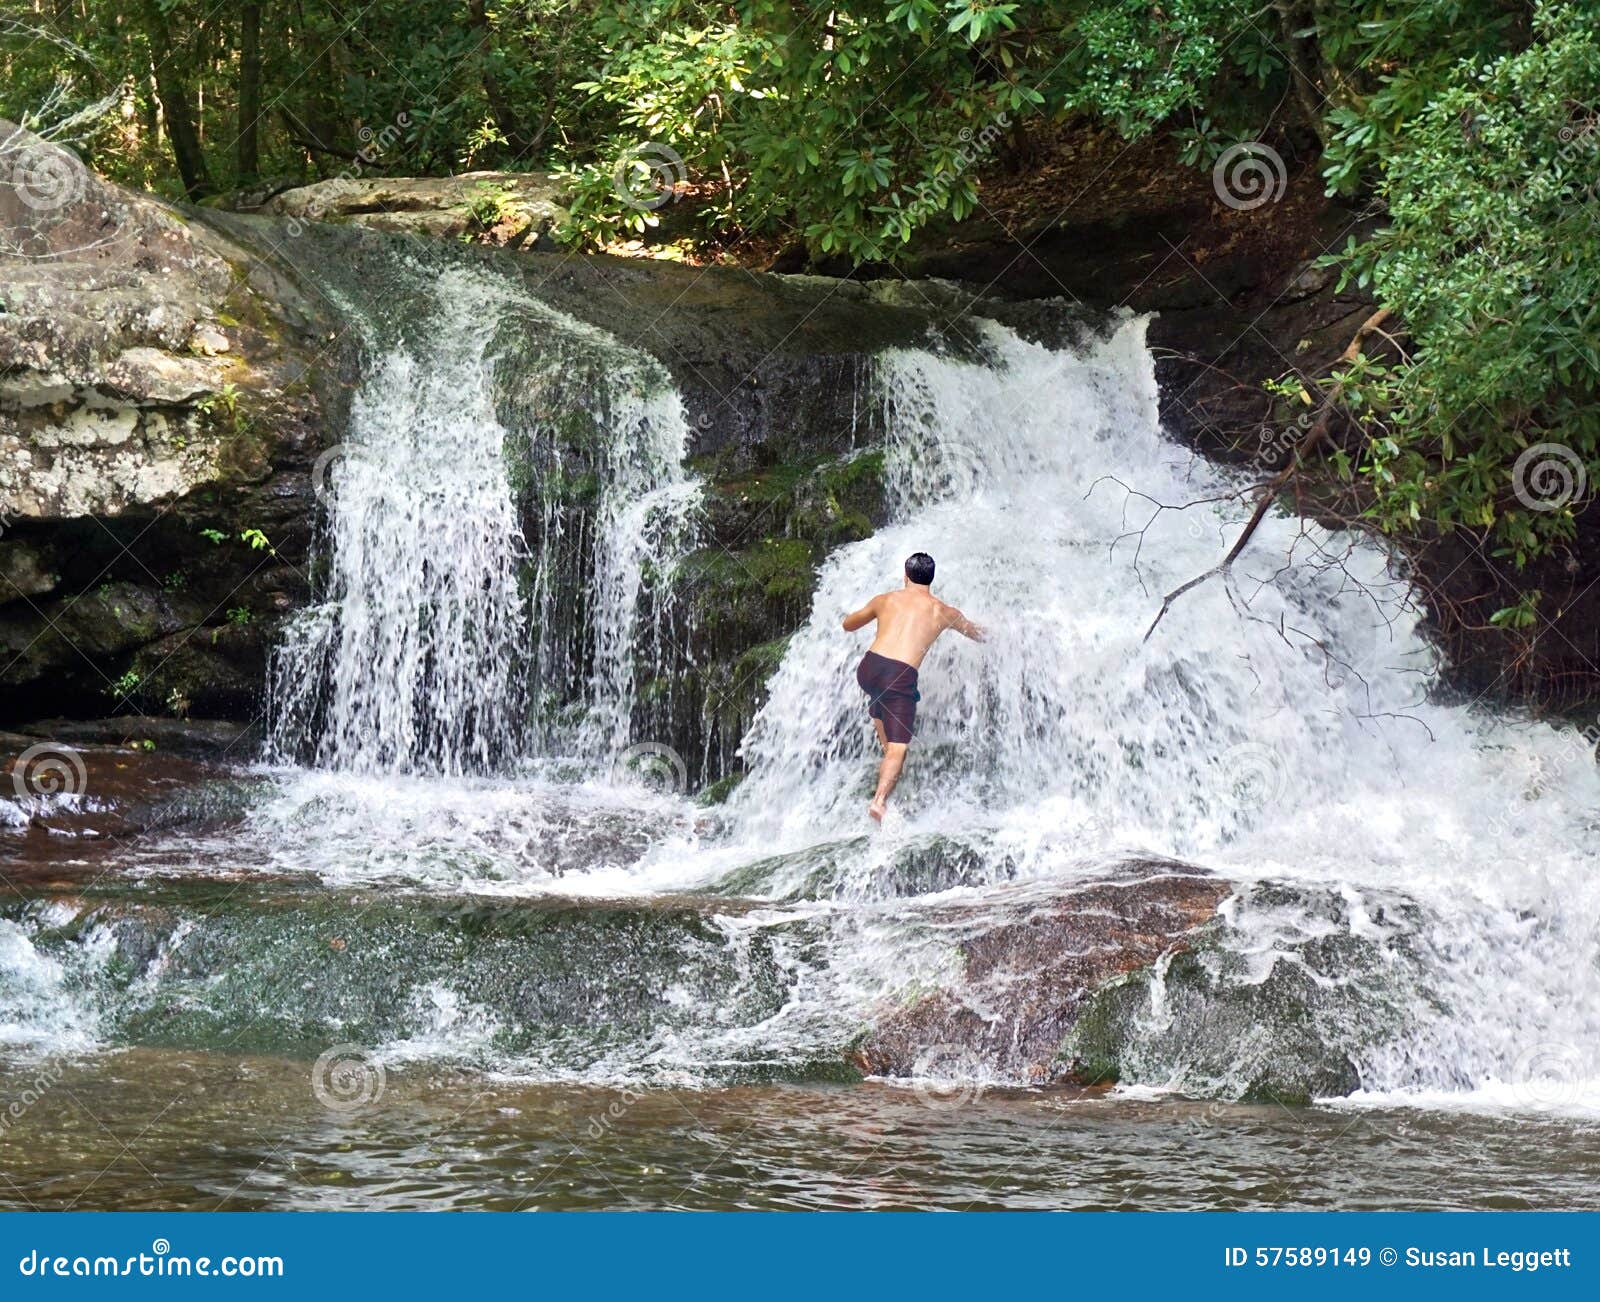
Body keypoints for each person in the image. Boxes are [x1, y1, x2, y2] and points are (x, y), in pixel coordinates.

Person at [842, 552, 985, 822]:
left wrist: (853, 615)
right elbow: (977, 634)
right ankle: (879, 802)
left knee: (886, 729)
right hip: (898, 675)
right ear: (931, 579)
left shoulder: (885, 599)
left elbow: (849, 624)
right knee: (899, 748)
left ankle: (888, 766)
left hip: (870, 669)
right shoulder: (943, 611)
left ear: (905, 575)